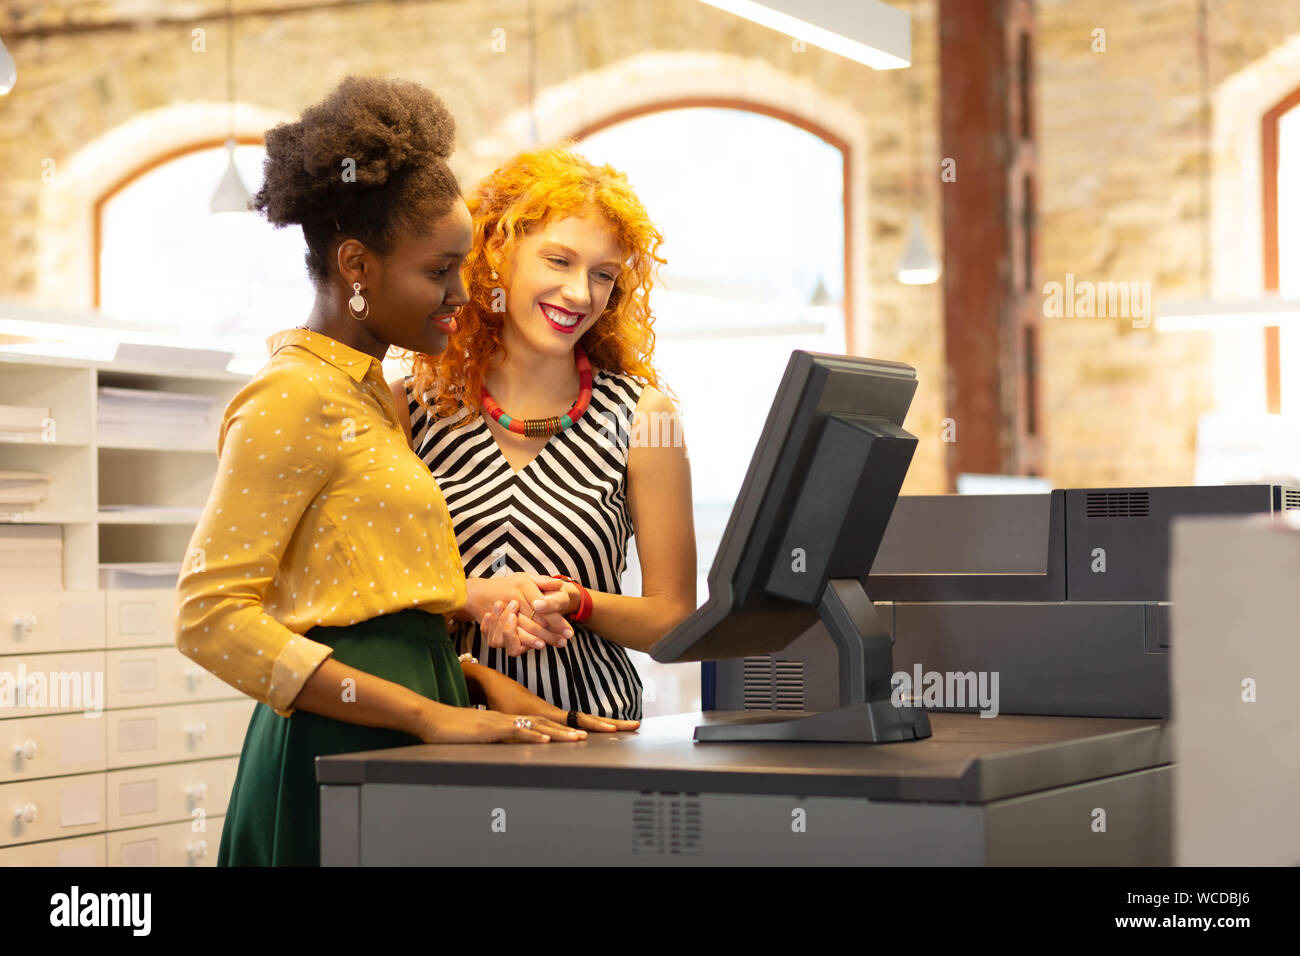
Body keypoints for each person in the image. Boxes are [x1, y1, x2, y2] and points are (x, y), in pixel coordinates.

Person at [175, 77, 636, 868]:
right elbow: (208, 618)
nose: (461, 294)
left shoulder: (369, 395)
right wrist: (423, 714)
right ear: (357, 266)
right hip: (340, 739)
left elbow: (364, 597)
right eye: (439, 271)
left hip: (411, 718)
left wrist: (470, 683)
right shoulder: (293, 395)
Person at [389, 144, 697, 721]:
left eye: (602, 275)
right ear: (497, 253)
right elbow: (376, 590)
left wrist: (576, 601)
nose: (581, 294)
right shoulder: (412, 407)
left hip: (595, 732)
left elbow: (673, 620)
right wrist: (472, 605)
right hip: (446, 717)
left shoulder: (642, 418)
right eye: (559, 261)